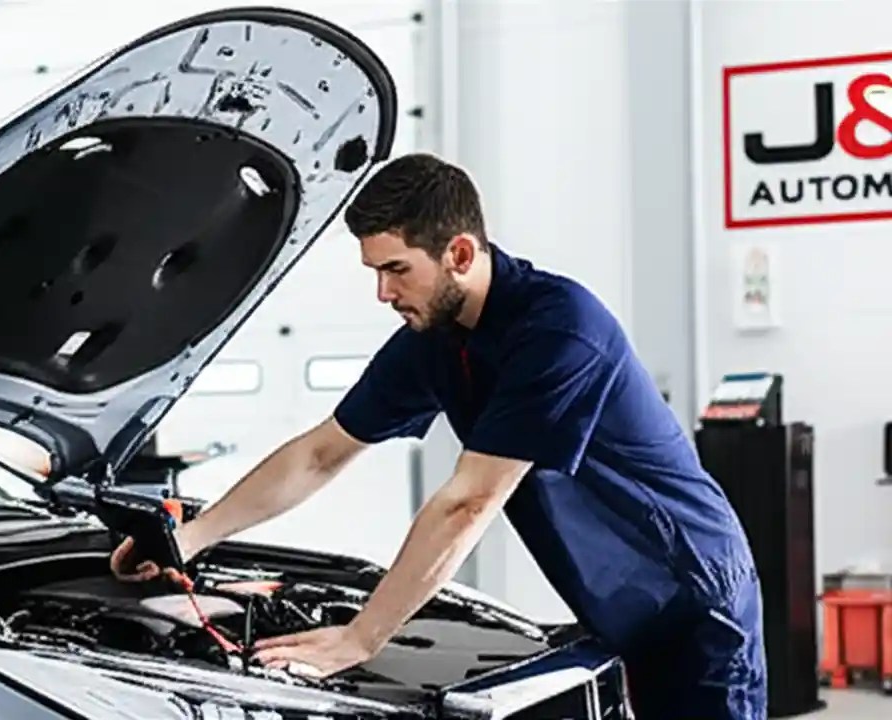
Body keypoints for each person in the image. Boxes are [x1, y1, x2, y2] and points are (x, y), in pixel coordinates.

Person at [109, 153, 766, 719]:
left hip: (694, 606)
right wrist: (188, 538)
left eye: (395, 269)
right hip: (615, 604)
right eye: (374, 272)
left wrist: (362, 639)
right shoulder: (435, 340)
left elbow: (469, 501)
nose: (381, 292)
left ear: (457, 253)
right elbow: (320, 453)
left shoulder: (561, 332)